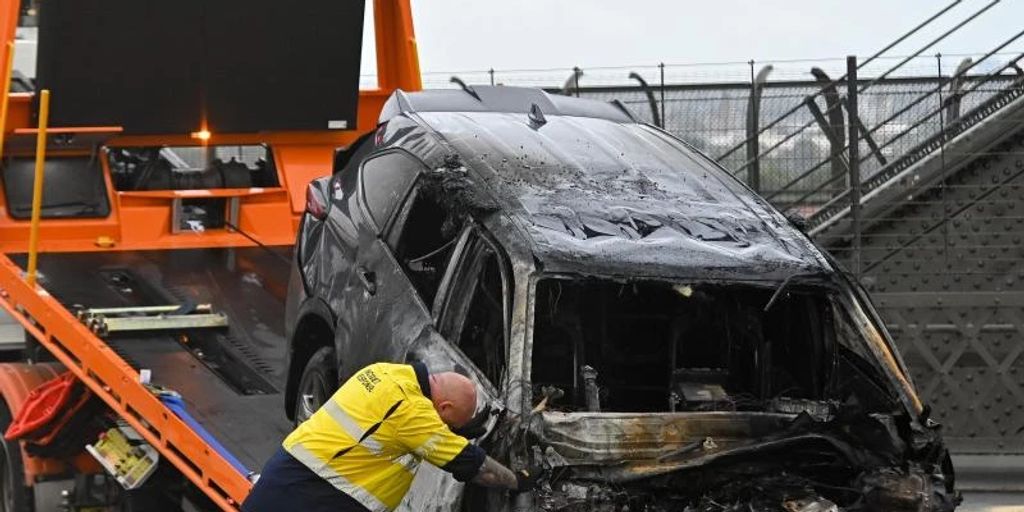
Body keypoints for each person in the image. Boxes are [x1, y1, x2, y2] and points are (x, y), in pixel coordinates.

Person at [242, 362, 540, 512]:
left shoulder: (387, 372)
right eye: (451, 425)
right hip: (310, 498)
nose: (448, 432)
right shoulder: (411, 412)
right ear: (444, 406)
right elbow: (475, 467)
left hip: (288, 479)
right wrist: (518, 480)